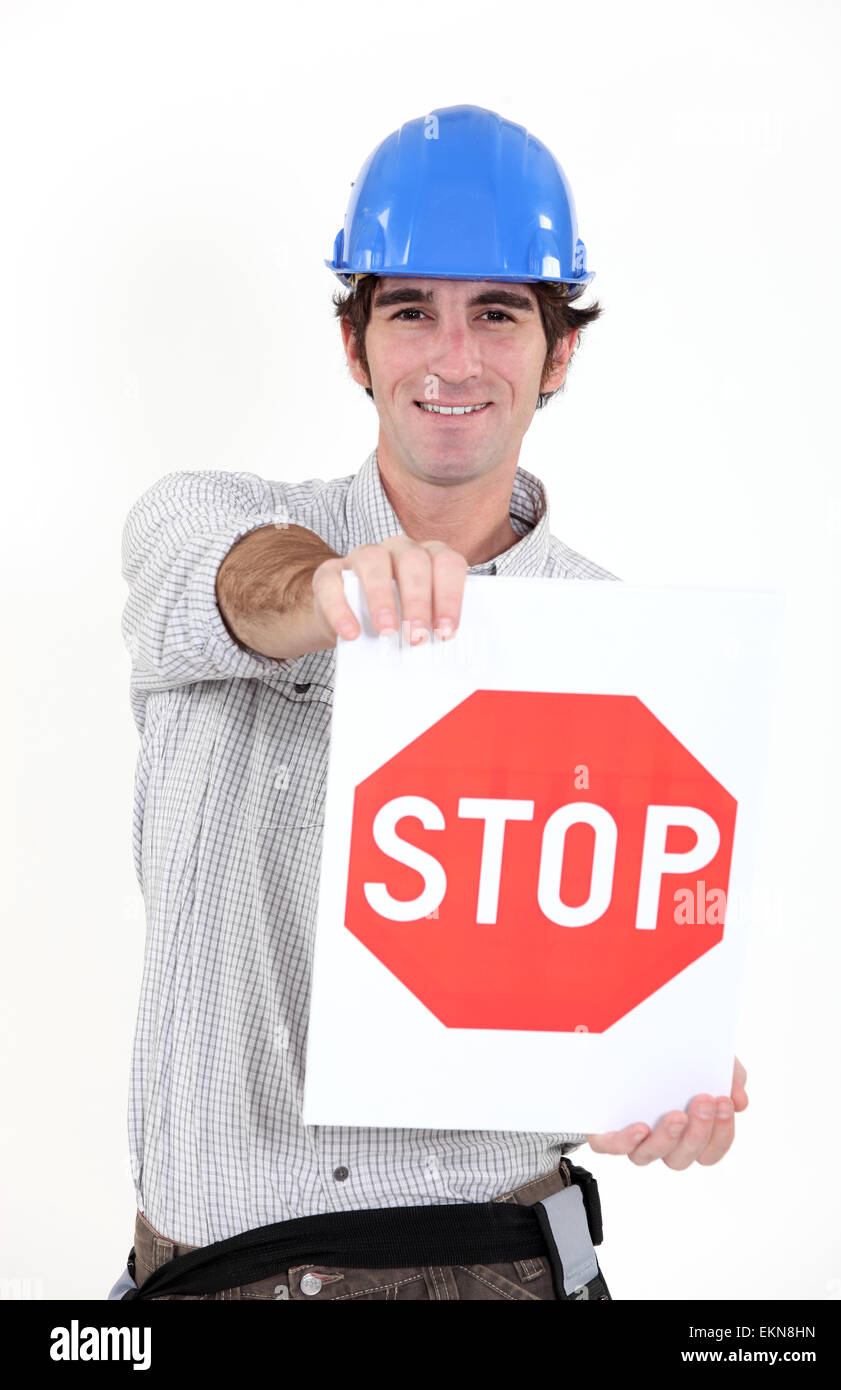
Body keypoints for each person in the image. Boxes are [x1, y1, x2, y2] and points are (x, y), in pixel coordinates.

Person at [111, 105, 748, 1303]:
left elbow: (610, 983)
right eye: (410, 311)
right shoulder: (201, 522)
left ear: (557, 354)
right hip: (218, 1274)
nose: (451, 358)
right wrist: (329, 590)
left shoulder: (622, 653)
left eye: (498, 313)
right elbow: (241, 589)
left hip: (496, 1265)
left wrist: (659, 1082)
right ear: (355, 346)